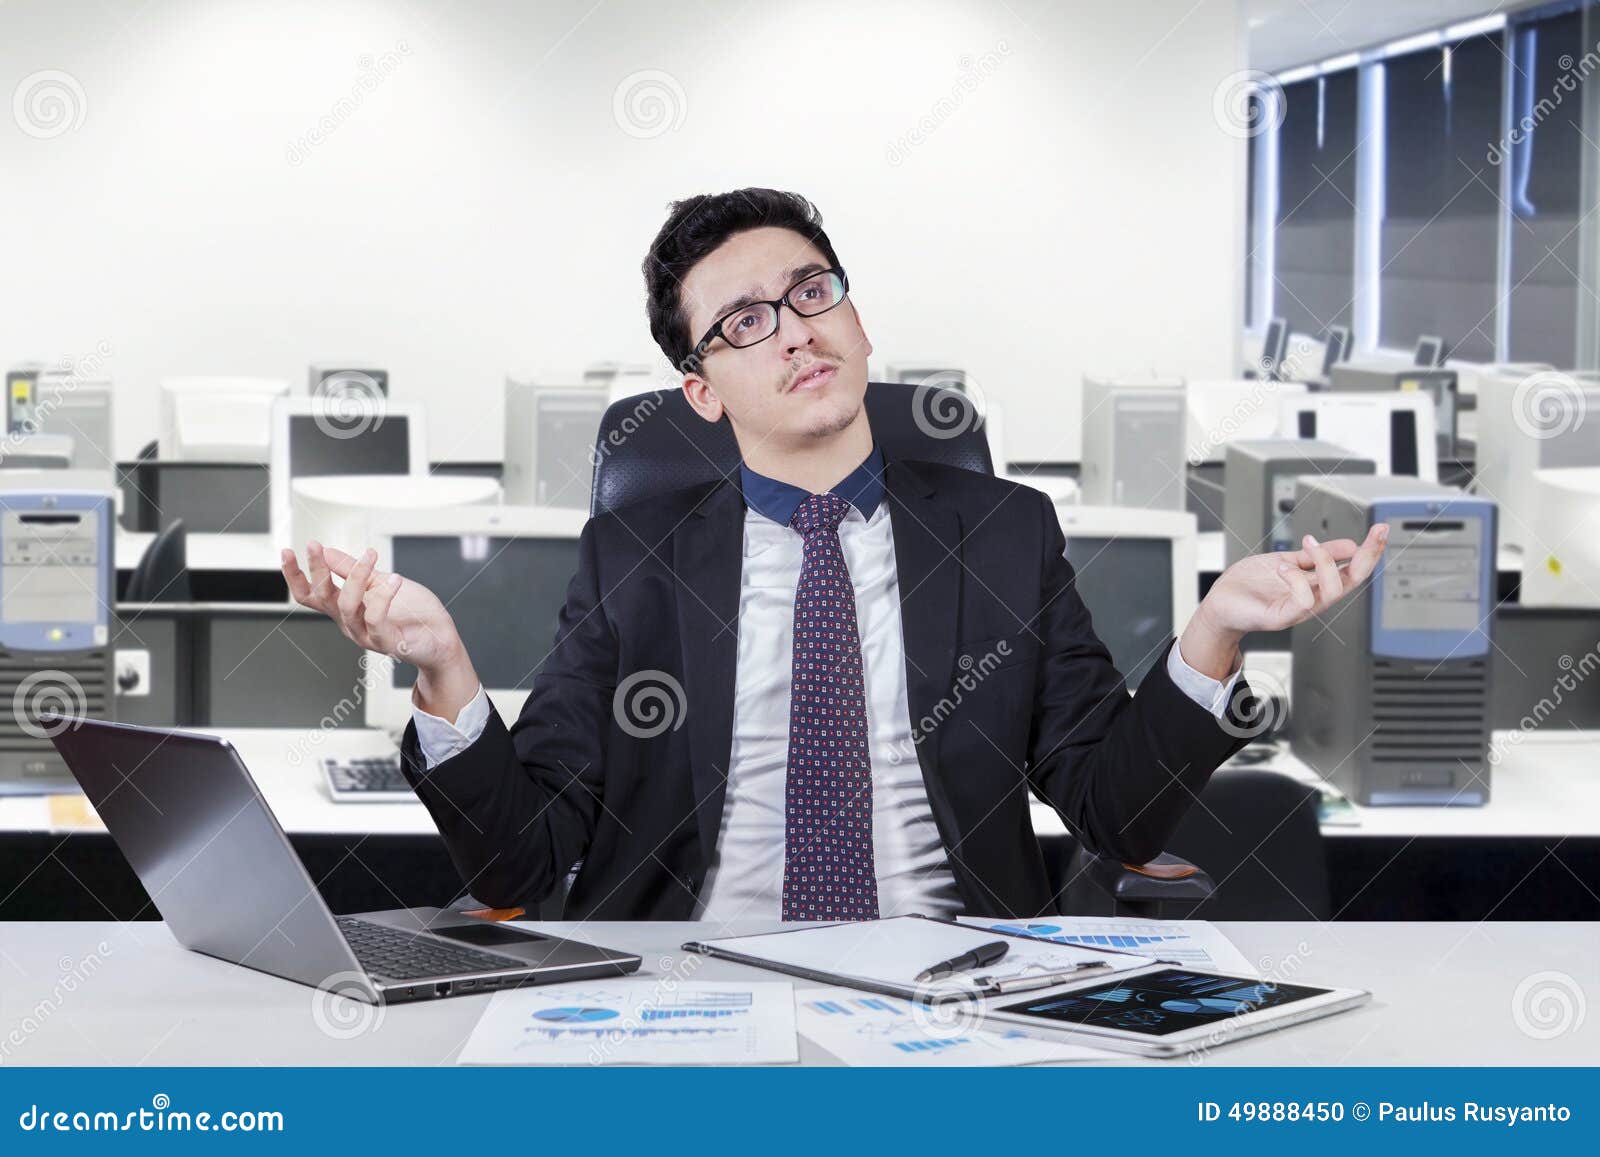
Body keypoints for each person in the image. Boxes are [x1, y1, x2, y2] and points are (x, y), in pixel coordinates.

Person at [280, 188, 1387, 923]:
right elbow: (522, 865)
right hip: (690, 992)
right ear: (702, 391)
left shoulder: (1001, 533)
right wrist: (443, 671)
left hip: (949, 992)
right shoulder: (639, 556)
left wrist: (1214, 633)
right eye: (746, 320)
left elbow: (1115, 814)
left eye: (812, 292)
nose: (797, 328)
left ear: (858, 323)